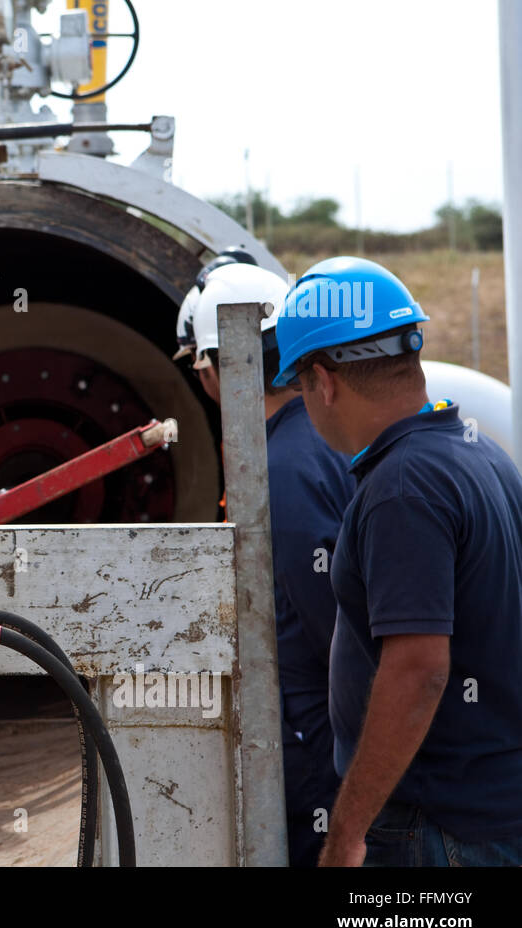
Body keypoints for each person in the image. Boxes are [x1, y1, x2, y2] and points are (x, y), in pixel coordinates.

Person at [273, 256, 522, 867]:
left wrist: (348, 833)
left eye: (301, 387)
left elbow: (418, 670)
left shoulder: (403, 487)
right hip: (487, 809)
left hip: (437, 828)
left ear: (322, 381)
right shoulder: (480, 454)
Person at [188, 262, 354, 866]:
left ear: (213, 368)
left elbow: (331, 622)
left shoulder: (279, 468)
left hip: (313, 734)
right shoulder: (321, 441)